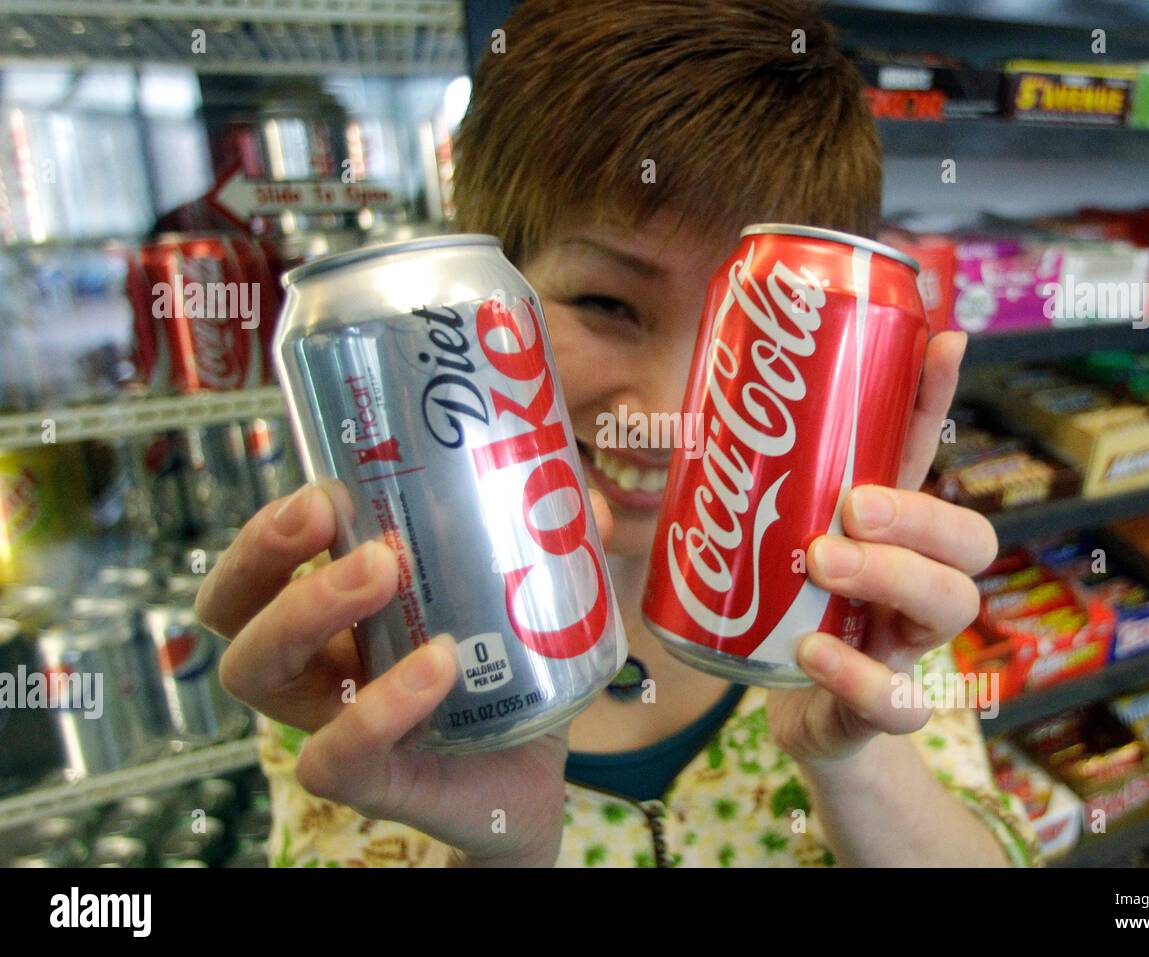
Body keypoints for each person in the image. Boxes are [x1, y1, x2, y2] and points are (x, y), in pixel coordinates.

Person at [197, 0, 1038, 868]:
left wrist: (854, 754)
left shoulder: (871, 588)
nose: (669, 409)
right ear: (485, 301)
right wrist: (500, 848)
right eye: (604, 304)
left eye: (748, 326)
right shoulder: (354, 623)